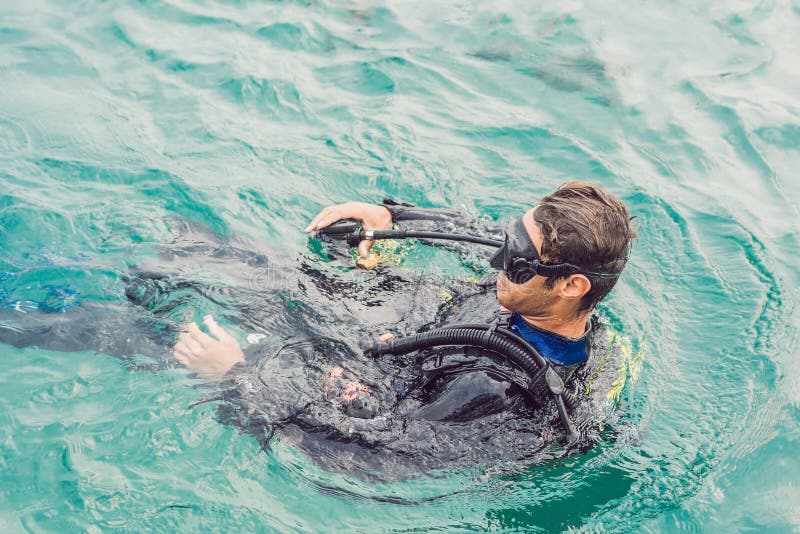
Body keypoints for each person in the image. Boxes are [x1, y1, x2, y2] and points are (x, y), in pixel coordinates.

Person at [172, 181, 637, 480]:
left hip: (369, 383)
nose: (499, 259)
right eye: (510, 240)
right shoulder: (540, 298)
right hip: (413, 325)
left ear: (572, 286)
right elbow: (475, 230)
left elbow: (377, 455)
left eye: (516, 259)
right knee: (247, 257)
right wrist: (391, 217)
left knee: (169, 325)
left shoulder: (492, 389)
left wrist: (238, 378)